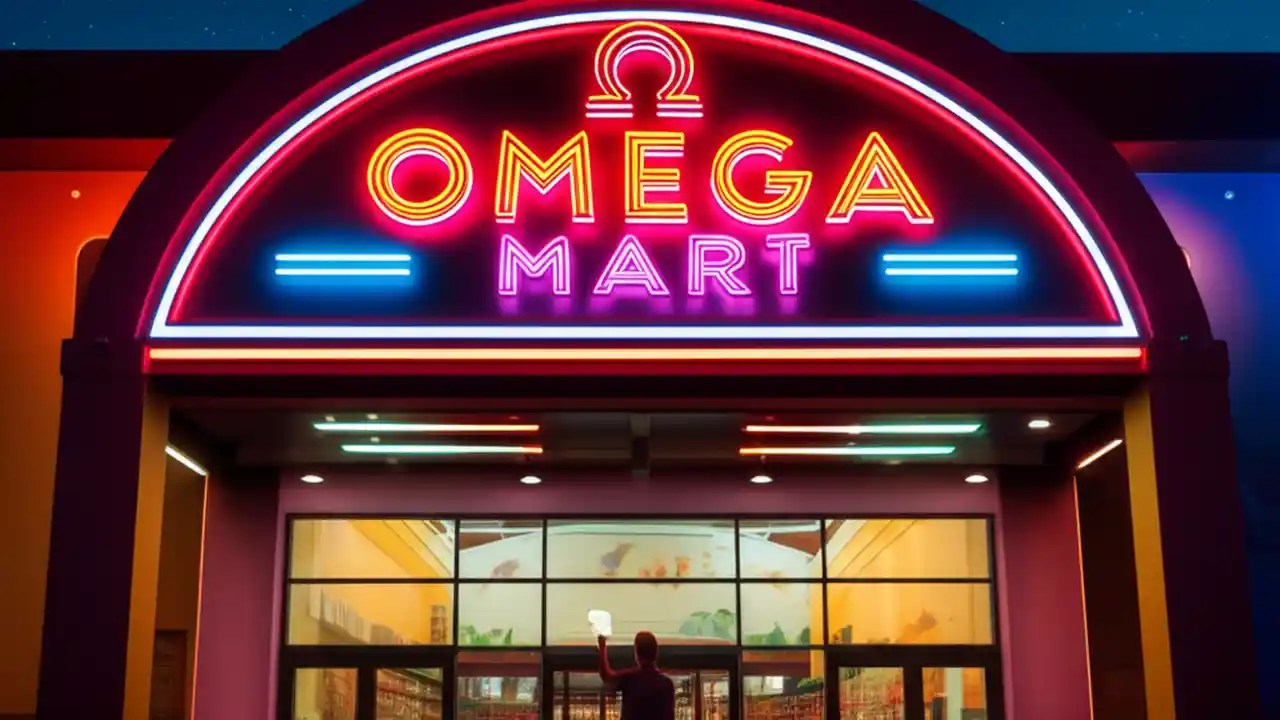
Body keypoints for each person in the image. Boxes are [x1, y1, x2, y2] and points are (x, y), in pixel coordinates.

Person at [597, 631, 675, 720]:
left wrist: (602, 647)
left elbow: (606, 676)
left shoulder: (630, 679)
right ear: (656, 652)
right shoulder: (666, 684)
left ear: (636, 653)